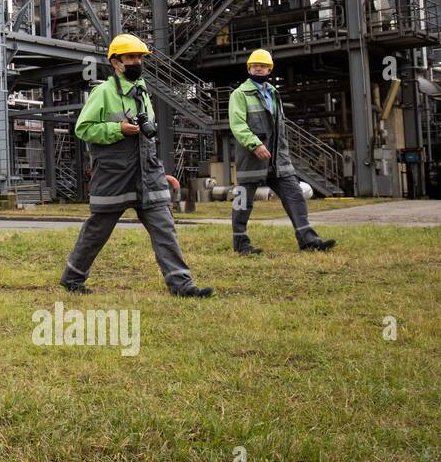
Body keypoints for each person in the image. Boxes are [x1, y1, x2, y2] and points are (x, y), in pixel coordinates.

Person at [59, 34, 214, 298]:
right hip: (114, 174)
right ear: (116, 62)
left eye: (140, 58)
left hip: (147, 172)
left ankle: (182, 285)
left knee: (164, 227)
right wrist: (118, 129)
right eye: (131, 58)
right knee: (97, 230)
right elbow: (83, 129)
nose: (137, 62)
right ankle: (72, 278)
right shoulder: (103, 92)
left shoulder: (142, 92)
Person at [229, 49, 336, 255]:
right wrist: (255, 145)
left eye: (263, 66)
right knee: (243, 201)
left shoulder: (273, 94)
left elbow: (280, 128)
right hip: (252, 158)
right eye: (255, 66)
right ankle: (241, 244)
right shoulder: (239, 94)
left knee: (295, 196)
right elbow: (237, 124)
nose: (259, 69)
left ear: (269, 69)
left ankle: (308, 240)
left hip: (278, 159)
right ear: (249, 68)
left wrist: (283, 152)